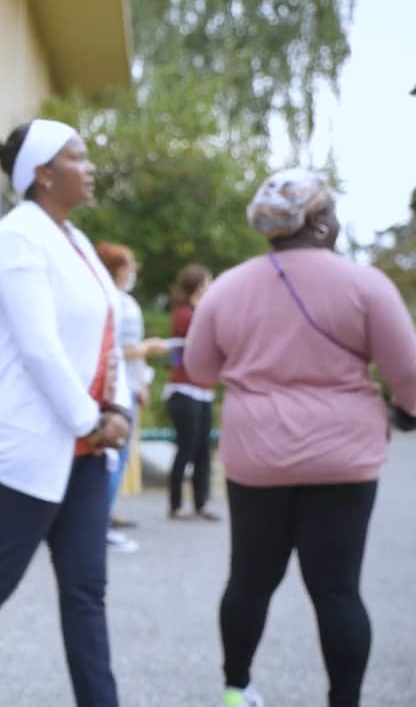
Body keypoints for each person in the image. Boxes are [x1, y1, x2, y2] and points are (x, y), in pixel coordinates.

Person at [0, 119, 131, 707]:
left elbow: (104, 337)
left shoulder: (74, 239)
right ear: (42, 173)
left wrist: (117, 411)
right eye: (77, 157)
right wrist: (90, 419)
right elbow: (39, 348)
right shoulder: (18, 237)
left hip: (84, 452)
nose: (89, 168)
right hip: (27, 448)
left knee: (87, 593)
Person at [185, 169, 416, 707]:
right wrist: (403, 413)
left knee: (248, 581)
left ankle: (236, 691)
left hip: (257, 458)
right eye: (331, 211)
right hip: (343, 460)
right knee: (337, 591)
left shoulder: (230, 287)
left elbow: (199, 368)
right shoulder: (365, 286)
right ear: (319, 224)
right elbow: (406, 372)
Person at [96, 242, 169, 552]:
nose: (133, 272)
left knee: (114, 459)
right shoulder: (115, 302)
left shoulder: (111, 299)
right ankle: (101, 523)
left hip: (125, 386)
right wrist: (149, 349)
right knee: (114, 458)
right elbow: (121, 349)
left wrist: (142, 379)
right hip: (117, 391)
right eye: (128, 267)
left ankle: (104, 516)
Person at [165, 263, 218, 520]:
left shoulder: (199, 312)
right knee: (186, 447)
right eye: (208, 283)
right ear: (199, 286)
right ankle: (176, 504)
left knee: (203, 450)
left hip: (203, 390)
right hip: (184, 389)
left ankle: (201, 502)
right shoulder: (186, 315)